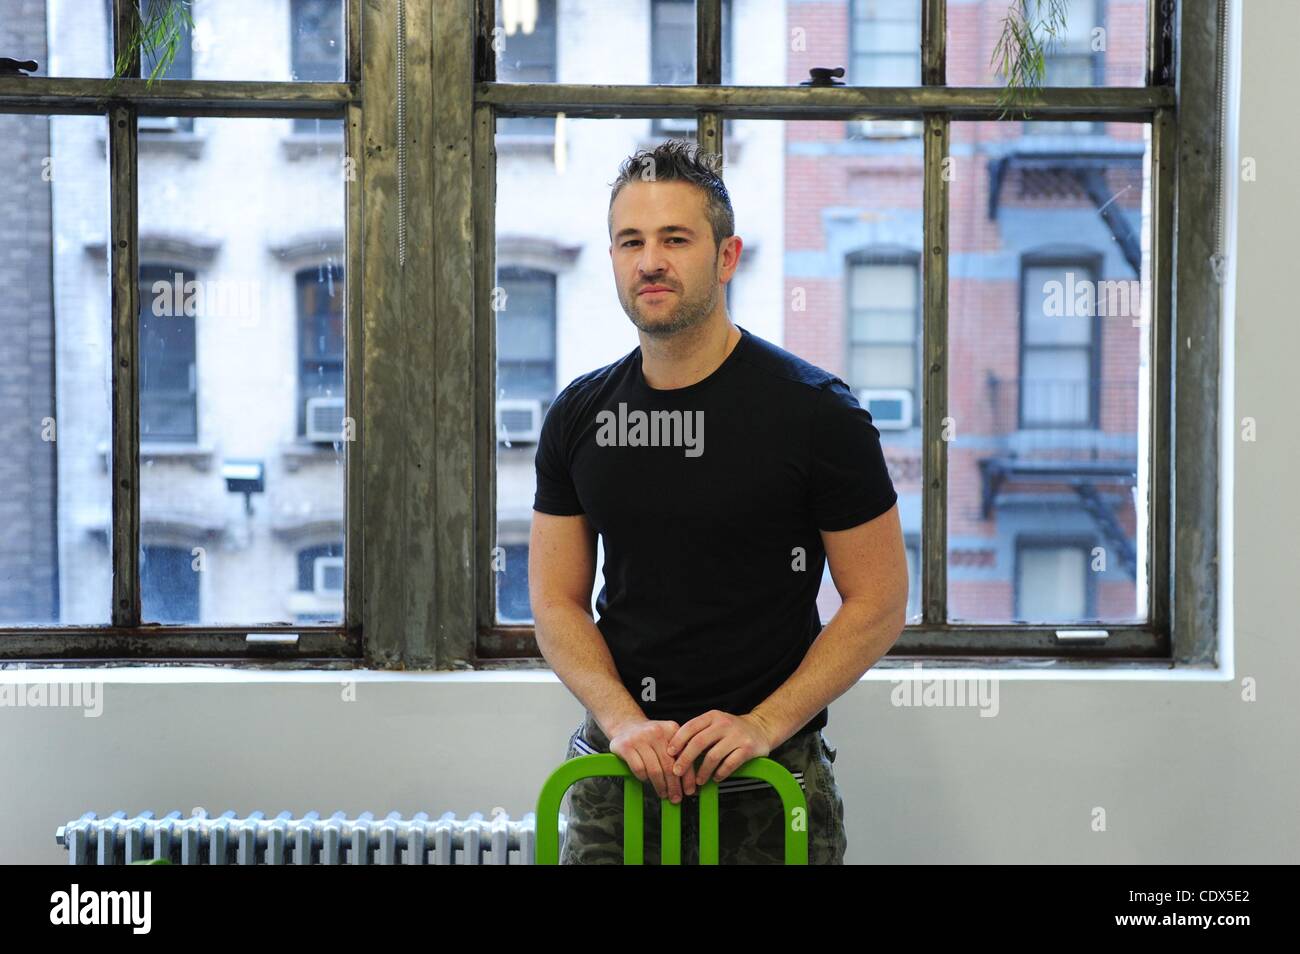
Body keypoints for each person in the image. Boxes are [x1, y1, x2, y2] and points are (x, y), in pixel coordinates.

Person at [528, 139, 909, 864]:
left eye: (676, 238)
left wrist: (762, 725)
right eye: (630, 241)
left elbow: (879, 601)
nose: (650, 261)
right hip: (618, 771)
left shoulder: (816, 413)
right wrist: (623, 720)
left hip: (766, 777)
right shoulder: (579, 415)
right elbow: (554, 601)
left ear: (726, 257)